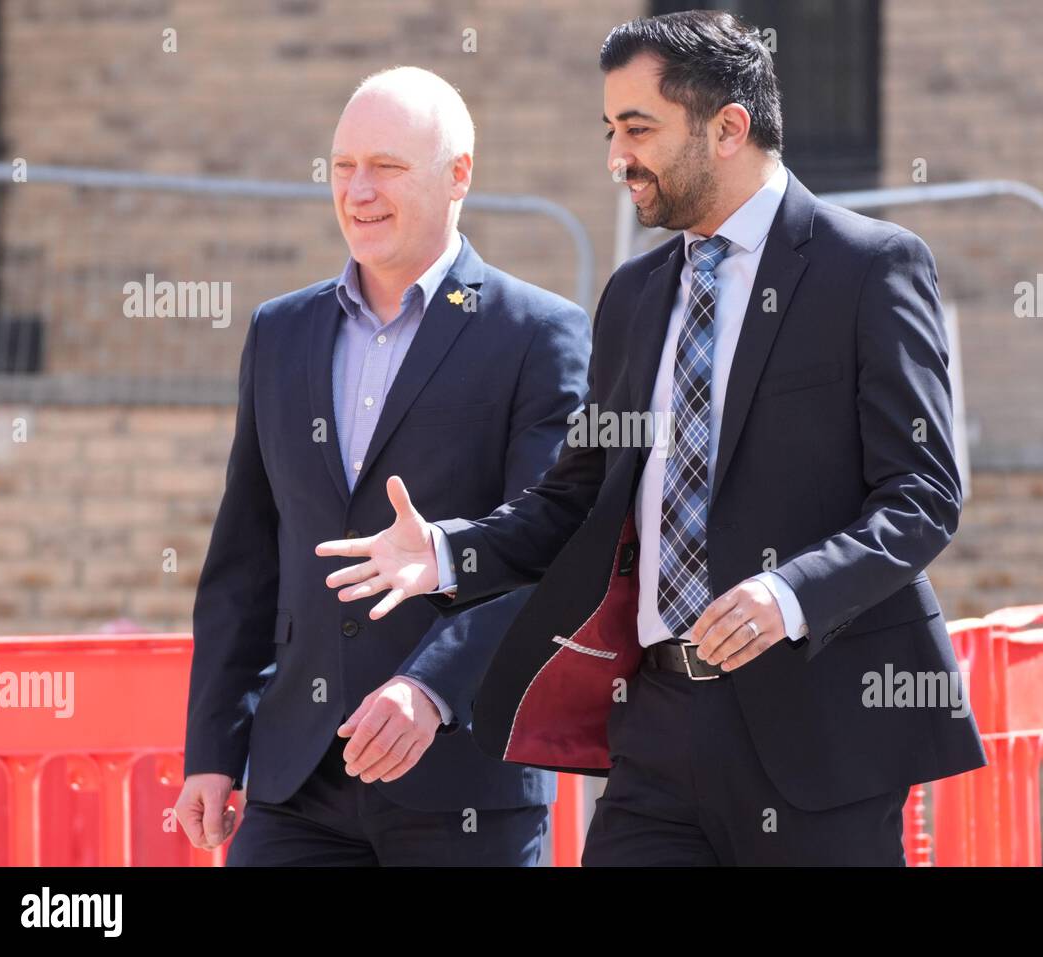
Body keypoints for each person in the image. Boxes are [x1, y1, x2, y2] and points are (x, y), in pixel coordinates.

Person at [319, 12, 986, 866]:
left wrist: (787, 595)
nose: (616, 157)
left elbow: (924, 493)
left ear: (729, 128)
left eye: (639, 129)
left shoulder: (869, 266)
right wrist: (449, 554)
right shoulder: (636, 296)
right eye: (611, 131)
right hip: (659, 727)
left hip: (821, 725)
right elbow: (574, 497)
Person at [176, 66, 590, 866]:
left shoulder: (538, 334)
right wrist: (213, 747)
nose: (358, 191)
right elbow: (245, 558)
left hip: (464, 780)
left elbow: (551, 549)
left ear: (459, 174)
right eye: (343, 167)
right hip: (296, 783)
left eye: (388, 167)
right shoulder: (279, 332)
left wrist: (431, 687)